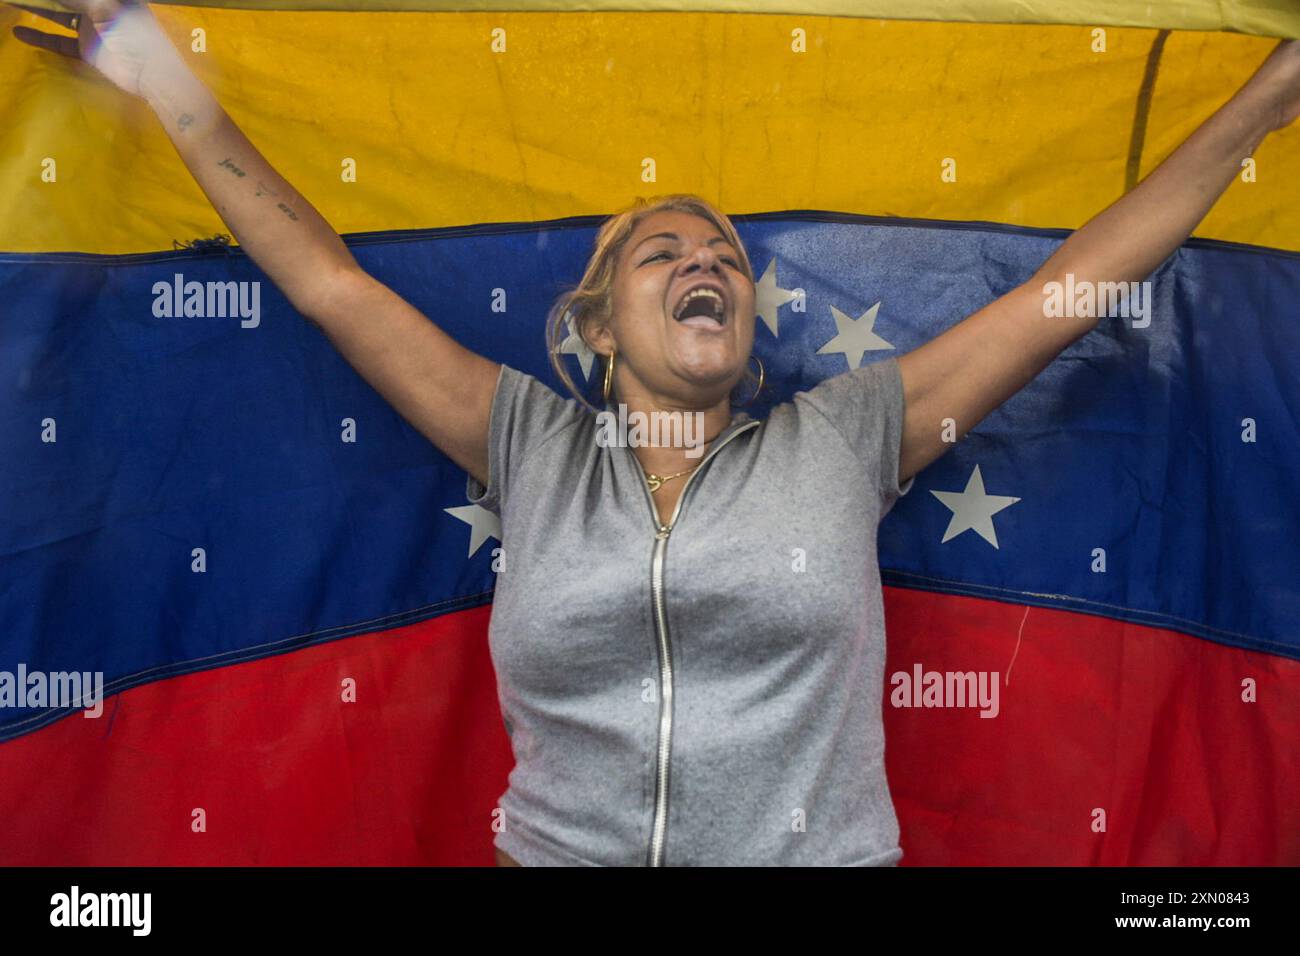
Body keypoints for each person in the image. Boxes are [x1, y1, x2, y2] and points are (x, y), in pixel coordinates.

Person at [11, 0, 1299, 866]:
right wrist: (163, 84)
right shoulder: (523, 440)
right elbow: (327, 280)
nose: (709, 262)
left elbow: (1062, 290)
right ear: (599, 325)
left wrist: (1269, 98)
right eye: (664, 251)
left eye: (728, 256)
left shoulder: (845, 437)